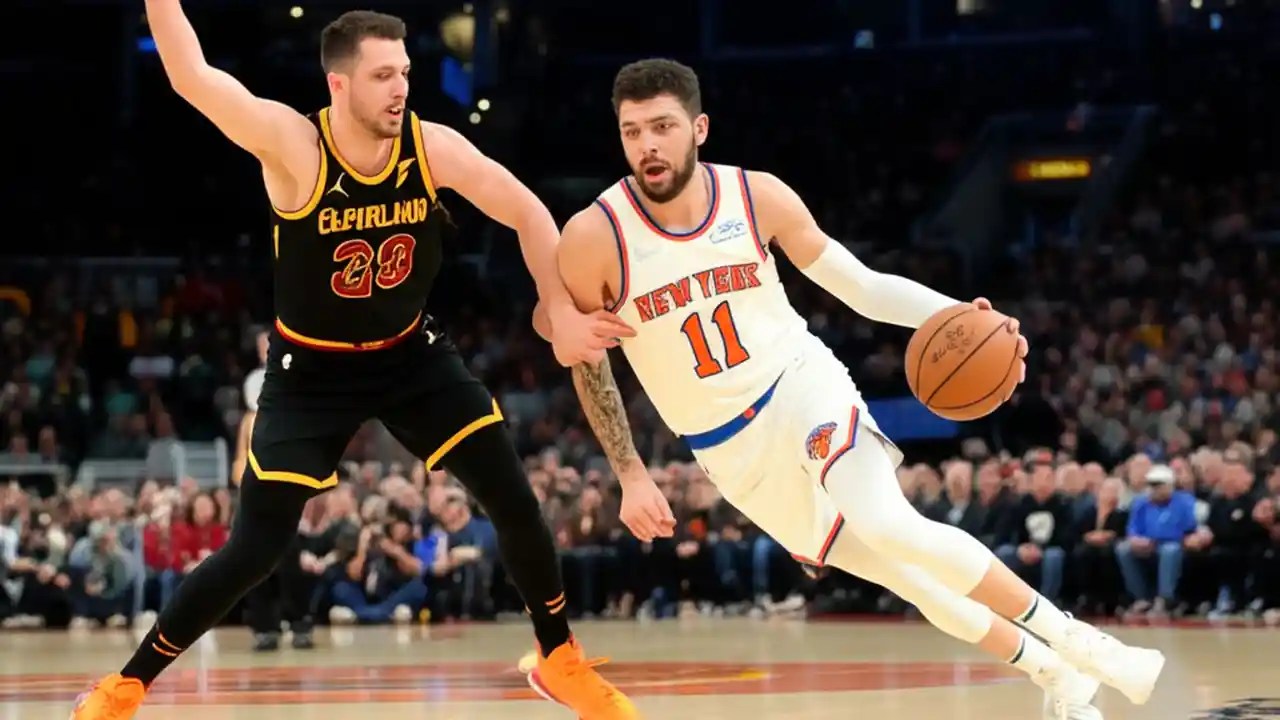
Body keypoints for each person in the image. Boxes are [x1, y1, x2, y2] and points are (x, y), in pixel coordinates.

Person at [546, 58, 1166, 720]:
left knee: (890, 524)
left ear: (698, 128)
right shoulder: (594, 236)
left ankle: (1085, 643)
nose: (648, 145)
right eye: (633, 131)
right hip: (726, 450)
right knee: (911, 581)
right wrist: (629, 472)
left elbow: (863, 286)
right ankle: (1057, 676)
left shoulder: (756, 197)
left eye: (663, 127)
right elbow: (587, 360)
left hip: (798, 386)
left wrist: (957, 314)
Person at [72, 5, 639, 720]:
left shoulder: (430, 147)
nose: (400, 88)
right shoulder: (295, 145)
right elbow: (191, 76)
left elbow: (529, 211)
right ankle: (125, 687)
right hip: (310, 371)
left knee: (513, 497)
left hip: (409, 356)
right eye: (382, 76)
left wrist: (557, 308)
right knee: (256, 549)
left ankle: (559, 659)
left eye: (404, 72)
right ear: (338, 84)